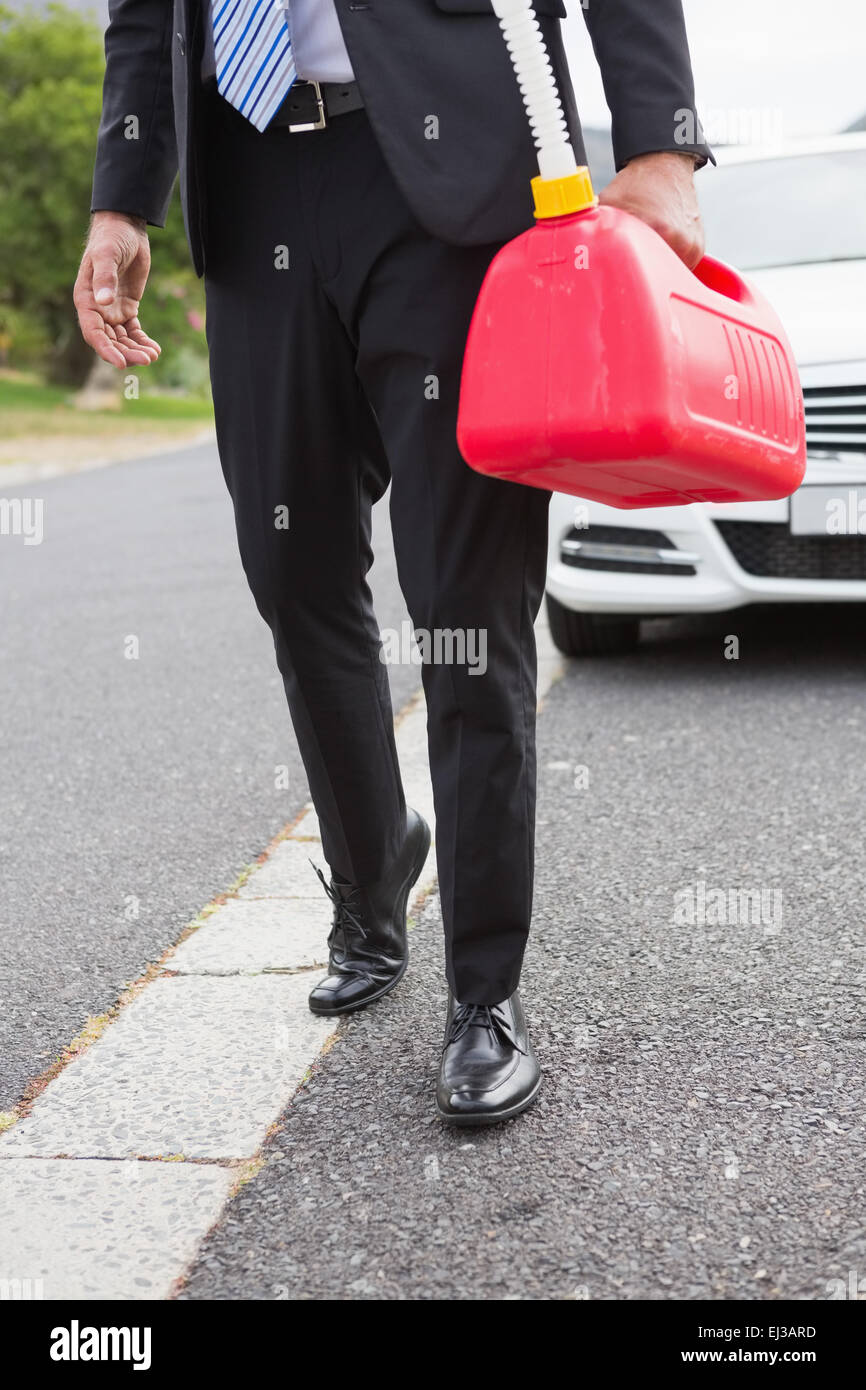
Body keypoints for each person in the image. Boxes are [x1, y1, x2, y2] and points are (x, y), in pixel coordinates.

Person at [74, 0, 711, 1126]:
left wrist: (657, 141)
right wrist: (124, 194)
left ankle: (482, 995)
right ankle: (374, 877)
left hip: (449, 170)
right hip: (252, 172)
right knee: (293, 570)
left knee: (462, 593)